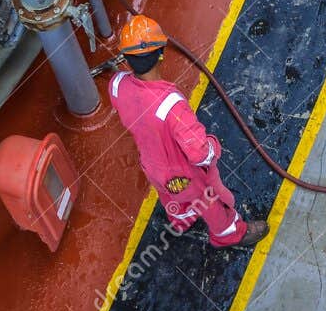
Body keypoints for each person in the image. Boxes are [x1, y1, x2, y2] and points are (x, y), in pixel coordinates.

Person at [108, 15, 268, 249]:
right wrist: (214, 146)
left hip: (154, 168)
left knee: (172, 198)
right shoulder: (171, 104)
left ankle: (181, 220)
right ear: (160, 53)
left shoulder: (116, 84)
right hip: (187, 176)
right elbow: (200, 154)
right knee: (211, 201)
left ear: (127, 58)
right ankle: (228, 233)